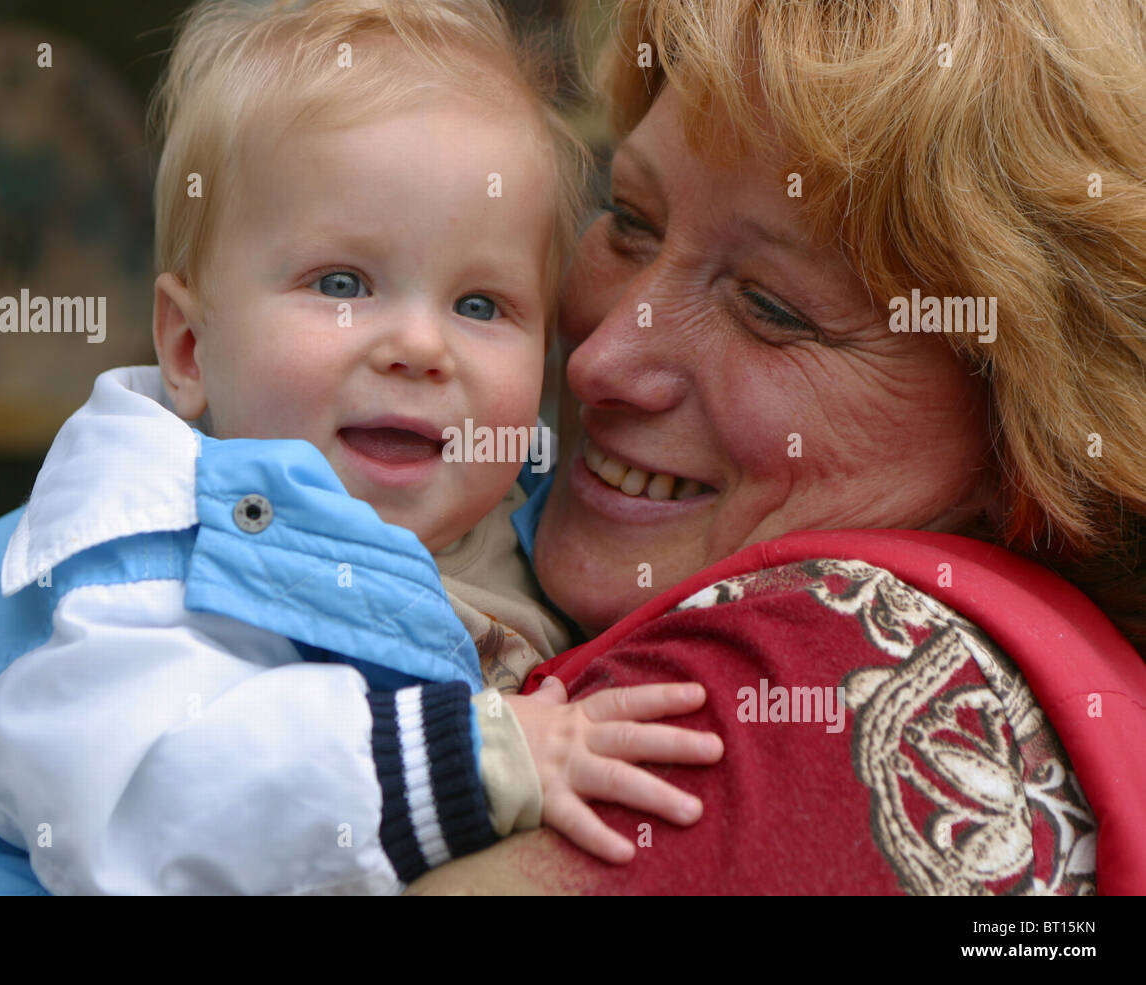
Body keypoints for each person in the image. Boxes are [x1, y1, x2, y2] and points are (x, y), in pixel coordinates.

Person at [0, 0, 723, 896]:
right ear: (189, 349)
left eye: (480, 305)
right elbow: (153, 803)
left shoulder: (538, 540)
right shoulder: (143, 553)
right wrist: (478, 760)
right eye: (341, 283)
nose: (421, 347)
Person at [407, 0, 1146, 895]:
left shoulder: (788, 700)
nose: (602, 357)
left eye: (774, 309)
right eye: (630, 220)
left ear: (1029, 434)